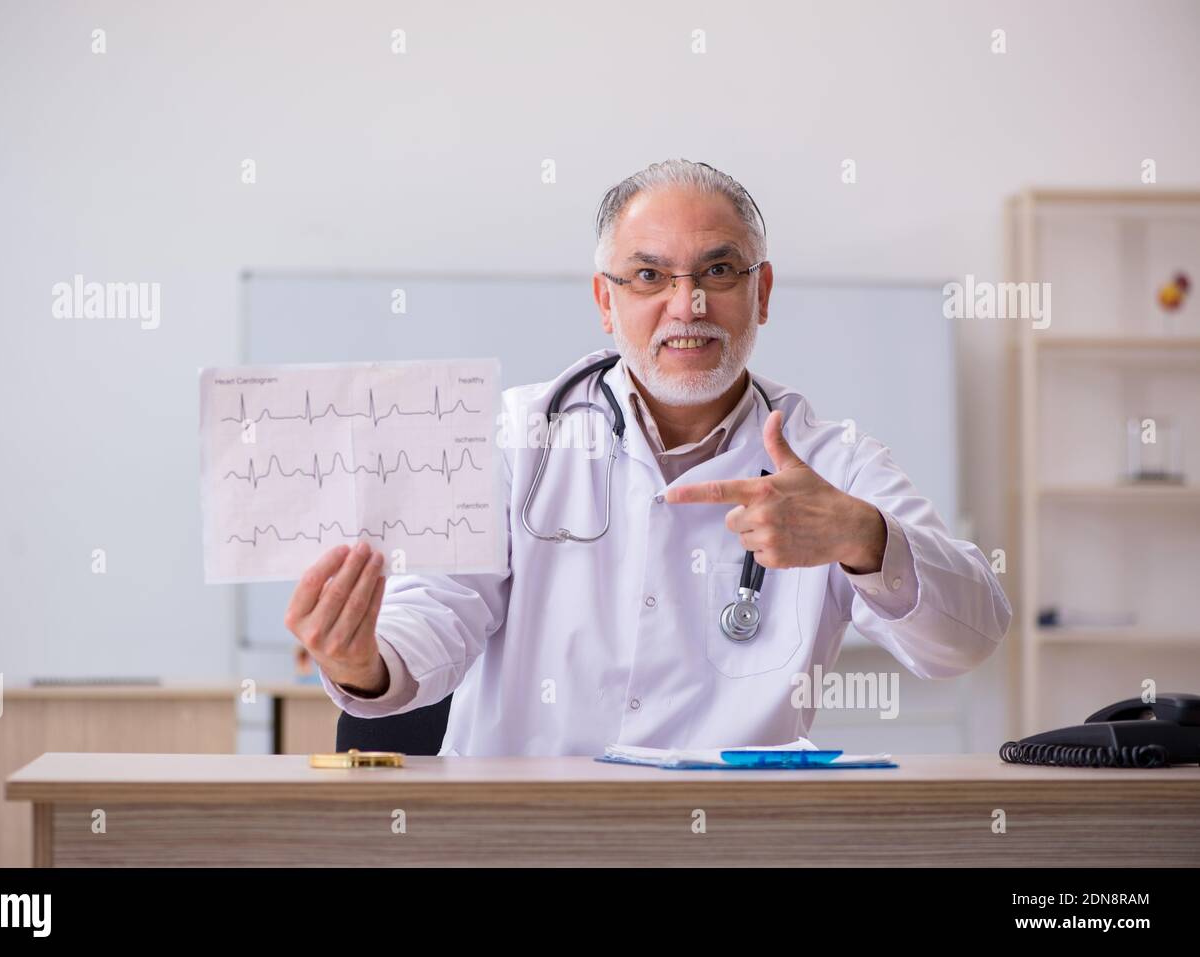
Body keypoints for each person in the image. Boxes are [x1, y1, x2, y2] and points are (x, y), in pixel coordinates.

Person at [283, 159, 1012, 756]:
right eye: (649, 276)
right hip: (523, 842)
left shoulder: (832, 460)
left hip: (725, 847)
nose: (687, 304)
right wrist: (361, 663)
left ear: (761, 293)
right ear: (606, 301)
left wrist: (864, 537)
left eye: (718, 271)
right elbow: (437, 612)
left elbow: (967, 636)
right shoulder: (516, 435)